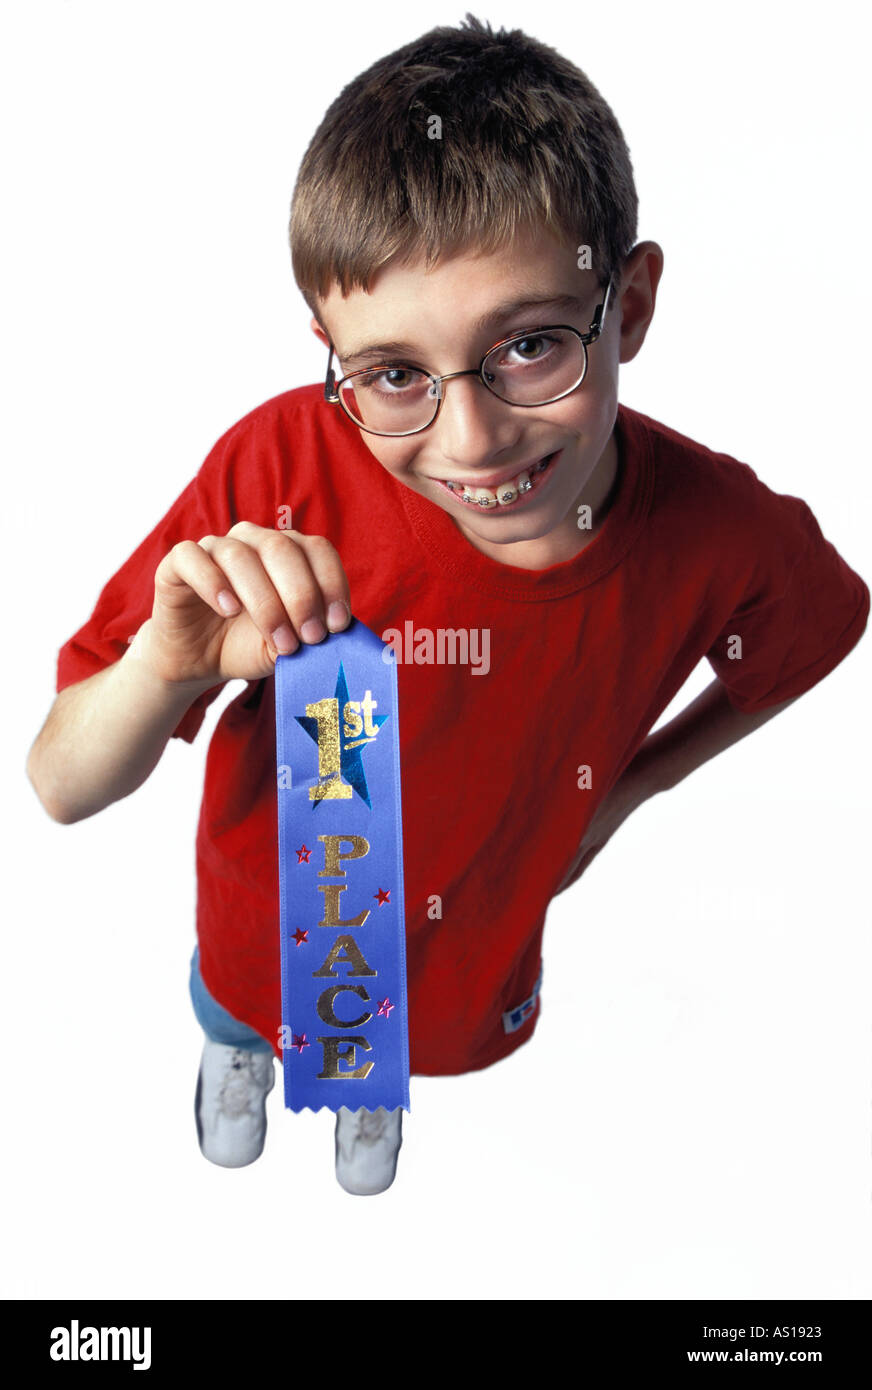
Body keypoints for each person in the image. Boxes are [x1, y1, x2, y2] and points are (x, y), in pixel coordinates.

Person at [26, 16, 869, 1196]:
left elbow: (815, 631)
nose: (469, 439)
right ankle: (240, 1053)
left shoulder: (720, 531)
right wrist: (166, 667)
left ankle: (364, 1090)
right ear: (332, 350)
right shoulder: (280, 464)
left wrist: (630, 792)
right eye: (392, 374)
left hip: (466, 944)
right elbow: (62, 785)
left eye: (528, 346)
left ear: (626, 306)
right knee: (238, 1001)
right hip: (262, 915)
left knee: (381, 1051)